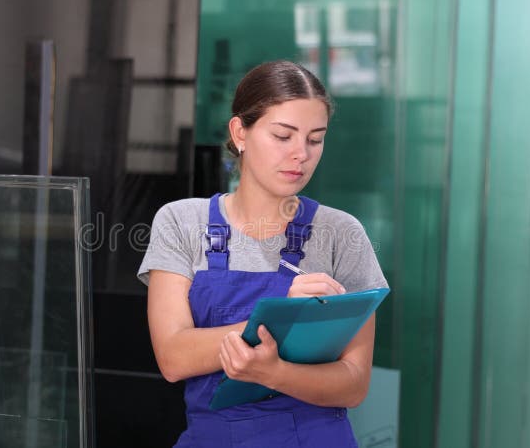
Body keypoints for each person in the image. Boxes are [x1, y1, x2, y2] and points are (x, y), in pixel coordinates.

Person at [137, 60, 388, 448]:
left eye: (315, 139)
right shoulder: (180, 222)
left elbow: (353, 385)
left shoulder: (342, 233)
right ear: (240, 132)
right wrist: (279, 318)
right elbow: (173, 357)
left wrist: (275, 372)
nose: (300, 154)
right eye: (283, 135)